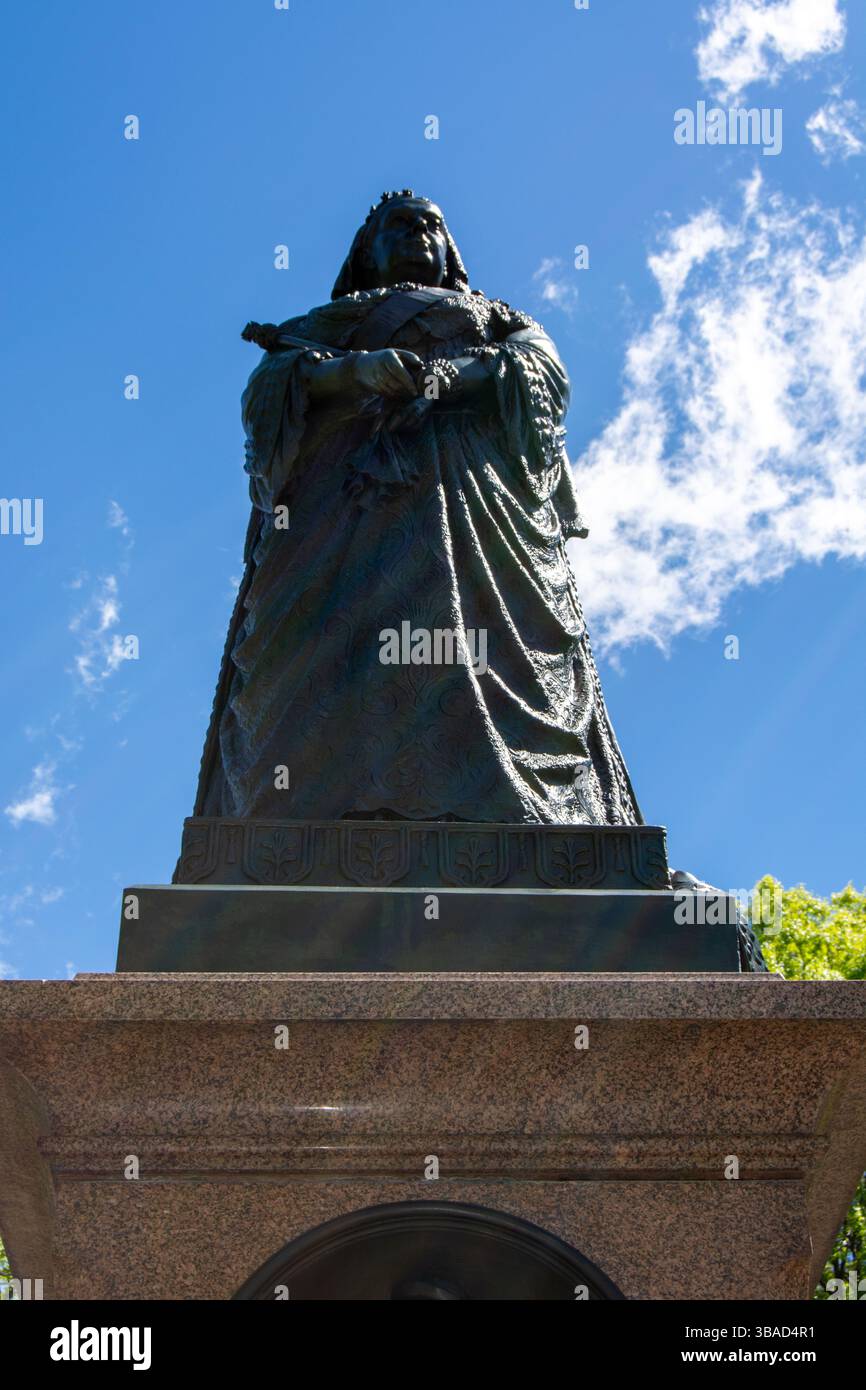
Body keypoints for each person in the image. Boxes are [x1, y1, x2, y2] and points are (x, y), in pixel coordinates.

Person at [192, 191, 642, 826]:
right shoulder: (324, 324)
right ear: (367, 250)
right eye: (399, 226)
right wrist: (354, 376)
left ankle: (516, 813)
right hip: (343, 506)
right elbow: (269, 386)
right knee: (328, 656)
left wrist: (452, 380)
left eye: (431, 226)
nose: (418, 235)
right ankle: (315, 812)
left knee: (476, 642)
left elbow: (542, 368)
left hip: (468, 499)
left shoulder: (494, 315)